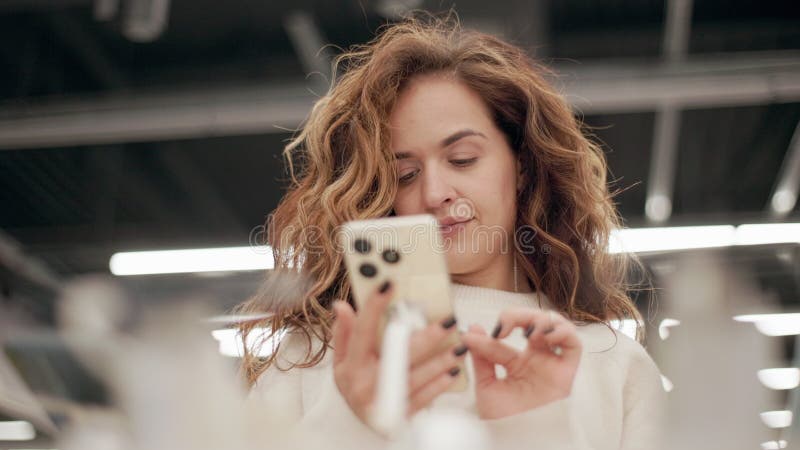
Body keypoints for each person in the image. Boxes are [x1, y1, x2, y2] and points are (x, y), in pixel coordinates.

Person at [236, 12, 666, 450]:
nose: (435, 193)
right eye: (404, 175)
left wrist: (533, 430)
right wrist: (347, 426)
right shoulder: (316, 355)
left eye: (462, 159)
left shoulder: (612, 364)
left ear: (522, 166)